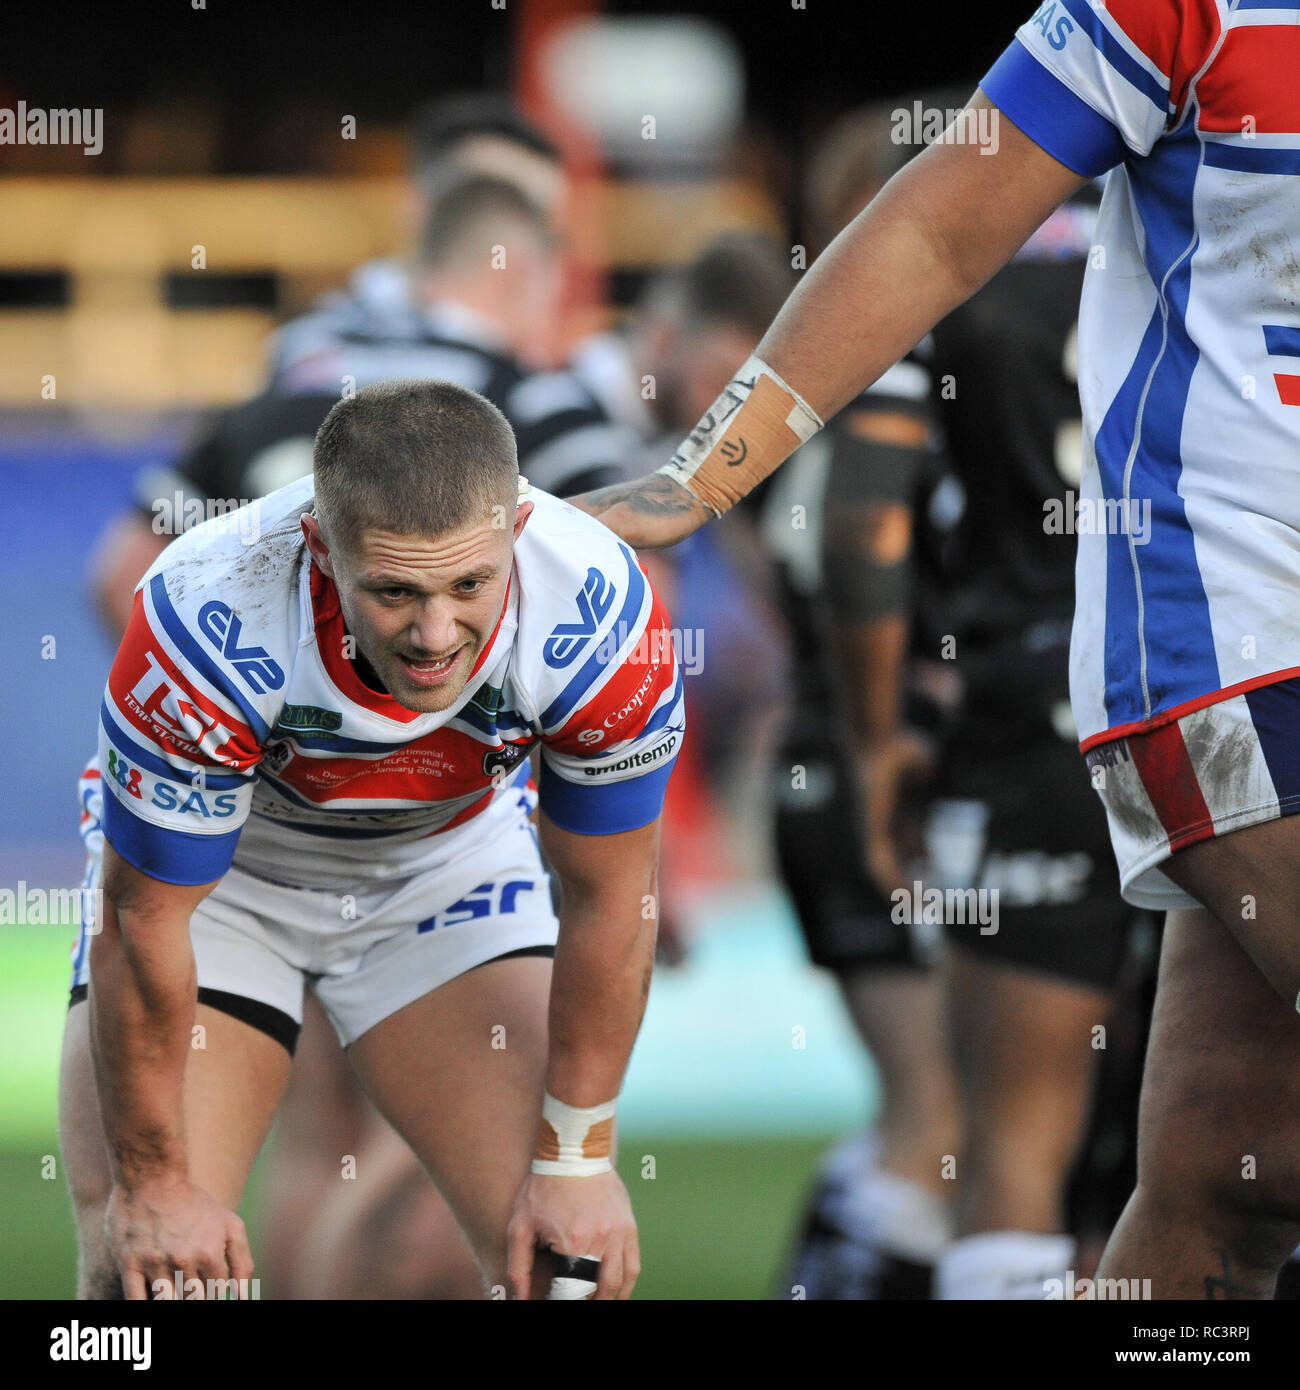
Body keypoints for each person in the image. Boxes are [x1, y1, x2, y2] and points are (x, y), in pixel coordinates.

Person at [575, 1, 1300, 1298]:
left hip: (980, 721)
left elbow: (871, 533)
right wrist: (699, 480)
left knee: (1222, 1183)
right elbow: (935, 222)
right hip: (1245, 649)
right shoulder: (1178, 13)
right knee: (996, 1144)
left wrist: (872, 740)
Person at [60, 378, 684, 1300]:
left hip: (444, 870)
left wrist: (580, 1158)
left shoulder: (600, 620)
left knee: (568, 1270)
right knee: (150, 1285)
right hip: (231, 891)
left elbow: (612, 894)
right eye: (394, 591)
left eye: (470, 585)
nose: (435, 635)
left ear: (516, 531)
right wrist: (153, 1185)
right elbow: (143, 921)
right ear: (320, 546)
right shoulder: (203, 615)